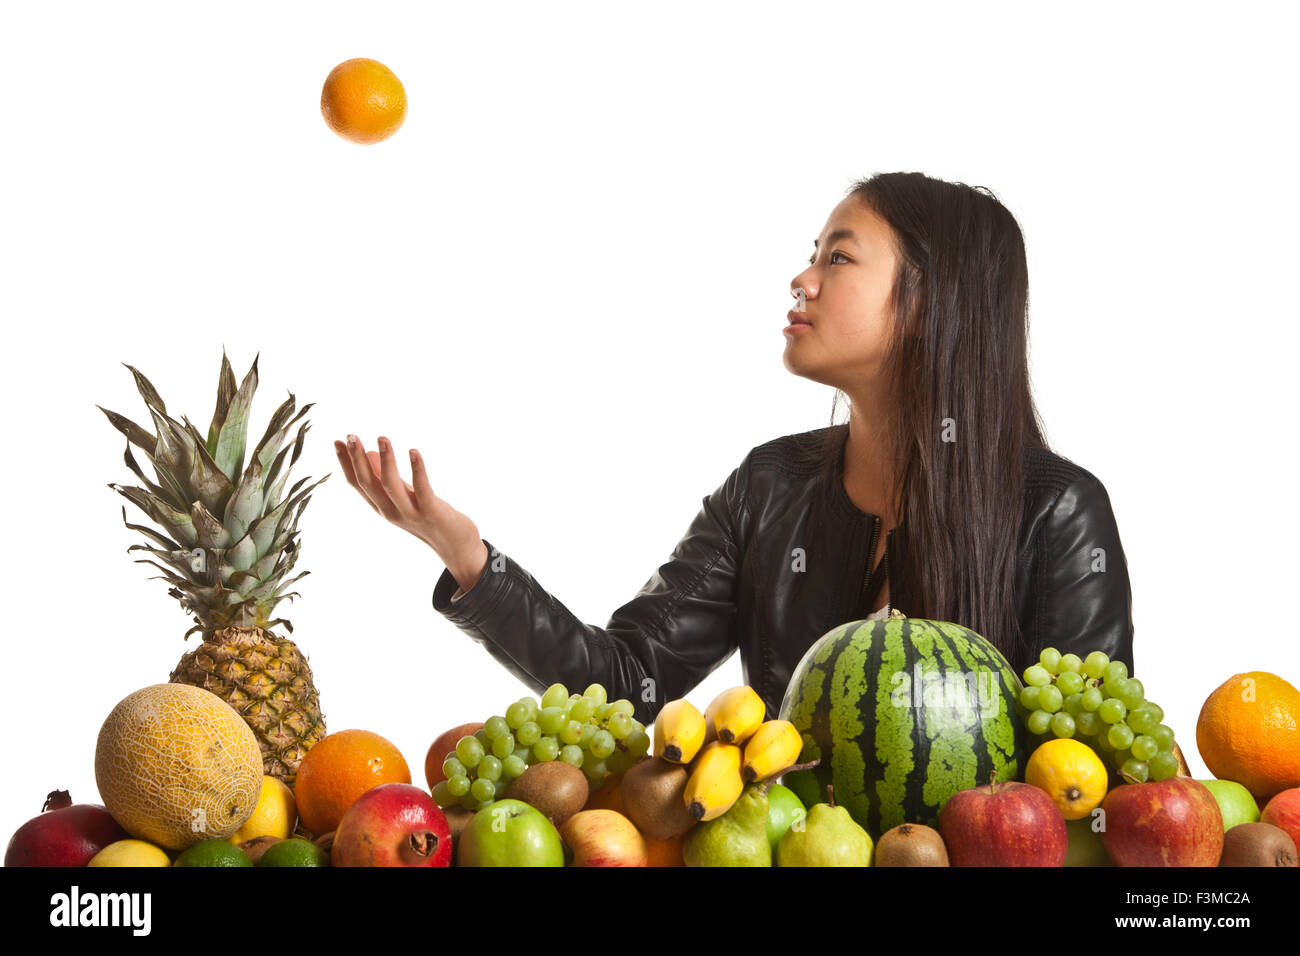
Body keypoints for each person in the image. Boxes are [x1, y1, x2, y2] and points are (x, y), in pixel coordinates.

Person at [334, 171, 1134, 724]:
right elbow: (625, 685)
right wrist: (470, 558)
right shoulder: (769, 487)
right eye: (814, 253)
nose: (802, 278)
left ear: (931, 305)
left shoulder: (1057, 513)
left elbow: (1080, 763)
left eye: (838, 257)